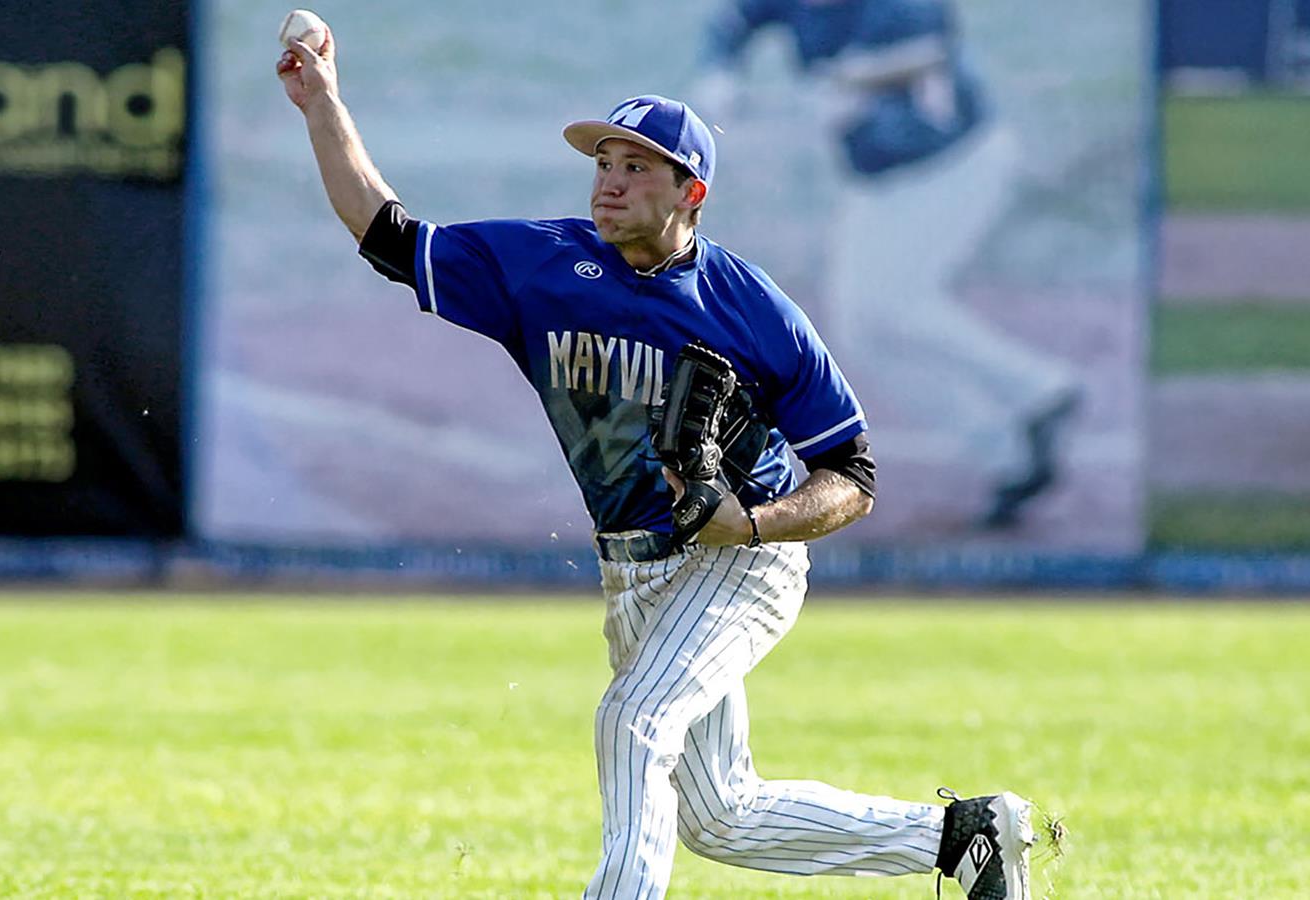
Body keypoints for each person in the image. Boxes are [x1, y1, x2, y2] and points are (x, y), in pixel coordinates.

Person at [277, 21, 1035, 899]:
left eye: (637, 166)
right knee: (721, 814)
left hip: (739, 559)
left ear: (691, 190)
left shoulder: (748, 305)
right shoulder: (543, 265)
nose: (610, 180)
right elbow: (385, 232)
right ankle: (967, 837)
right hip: (634, 569)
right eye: (604, 161)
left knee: (633, 721)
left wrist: (748, 523)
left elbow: (852, 477)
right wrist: (323, 102)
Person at [694, 0, 1082, 528]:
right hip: (879, 181)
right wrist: (722, 69)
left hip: (954, 164)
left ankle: (1041, 389)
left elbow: (925, 51)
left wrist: (846, 85)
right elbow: (735, 21)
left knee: (895, 305)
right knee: (861, 327)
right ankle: (1009, 447)